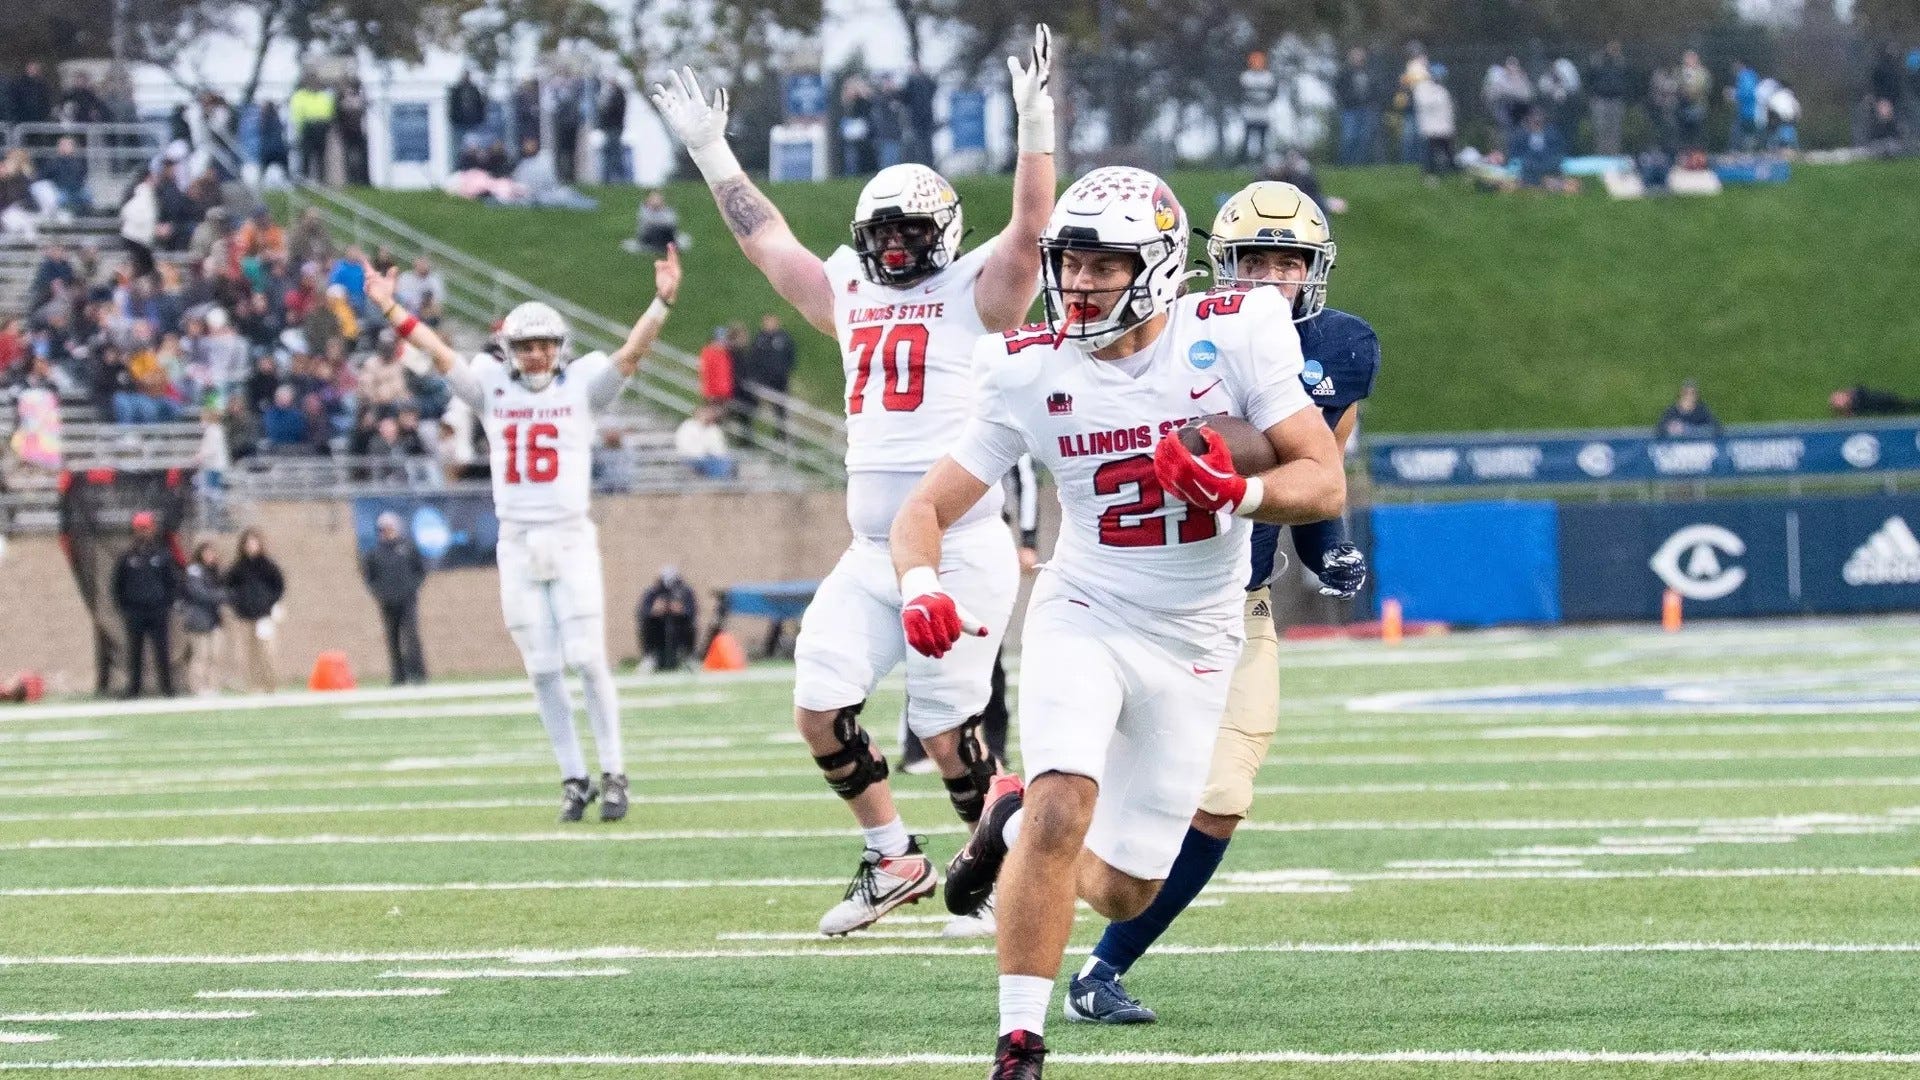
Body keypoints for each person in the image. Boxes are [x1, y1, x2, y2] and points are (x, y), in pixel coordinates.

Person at [888, 166, 1346, 1078]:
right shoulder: (1026, 366)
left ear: (1165, 265)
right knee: (1066, 801)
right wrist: (918, 589)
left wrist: (1239, 489)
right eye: (1070, 260)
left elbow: (1321, 477)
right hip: (1085, 608)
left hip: (1199, 634)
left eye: (1104, 262)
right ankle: (1020, 1041)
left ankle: (1006, 825)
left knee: (1128, 890)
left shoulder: (1235, 332)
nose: (1081, 280)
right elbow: (923, 511)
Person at [651, 26, 1056, 938]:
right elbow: (766, 241)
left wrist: (1038, 125)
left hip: (960, 546)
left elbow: (1033, 228)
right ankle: (894, 859)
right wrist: (712, 152)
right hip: (872, 551)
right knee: (817, 707)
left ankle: (999, 877)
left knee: (953, 733)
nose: (901, 249)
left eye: (915, 233)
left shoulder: (978, 293)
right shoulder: (850, 290)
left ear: (945, 234)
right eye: (887, 234)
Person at [1065, 180, 1380, 1026]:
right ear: (1215, 266)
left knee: (1223, 798)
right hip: (1130, 598)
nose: (1273, 279)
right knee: (1091, 788)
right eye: (1254, 261)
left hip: (1237, 605)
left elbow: (1309, 470)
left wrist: (1324, 546)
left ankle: (1102, 968)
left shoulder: (1341, 348)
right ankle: (1025, 824)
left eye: (1290, 262)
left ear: (1317, 271)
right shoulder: (1182, 330)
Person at [364, 232, 681, 824]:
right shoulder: (491, 386)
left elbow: (630, 356)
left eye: (543, 346)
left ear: (559, 349)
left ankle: (614, 772)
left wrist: (660, 304)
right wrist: (390, 307)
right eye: (525, 346)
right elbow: (438, 353)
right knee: (540, 666)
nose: (535, 356)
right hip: (516, 541)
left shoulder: (582, 385)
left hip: (569, 536)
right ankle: (572, 777)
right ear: (509, 349)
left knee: (587, 658)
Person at [112, 511, 183, 699]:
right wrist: (125, 607)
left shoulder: (162, 555)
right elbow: (117, 585)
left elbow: (171, 582)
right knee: (135, 651)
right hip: (135, 611)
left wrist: (166, 603)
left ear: (152, 529)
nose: (143, 532)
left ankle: (167, 688)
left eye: (146, 528)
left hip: (158, 610)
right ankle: (133, 689)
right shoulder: (126, 557)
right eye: (140, 529)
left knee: (162, 649)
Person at [363, 512, 429, 685]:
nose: (386, 532)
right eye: (383, 529)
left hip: (407, 600)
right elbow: (370, 577)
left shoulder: (407, 548)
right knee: (393, 639)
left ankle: (418, 674)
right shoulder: (375, 553)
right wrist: (380, 593)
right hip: (387, 602)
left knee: (411, 636)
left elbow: (420, 571)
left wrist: (410, 588)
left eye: (389, 528)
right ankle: (398, 676)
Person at [226, 529, 286, 691]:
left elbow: (279, 586)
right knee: (249, 653)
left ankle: (271, 685)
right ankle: (254, 686)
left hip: (264, 615)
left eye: (254, 543)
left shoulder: (268, 565)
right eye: (248, 543)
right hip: (245, 616)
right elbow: (229, 587)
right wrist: (238, 604)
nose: (251, 546)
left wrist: (269, 602)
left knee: (268, 652)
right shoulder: (238, 568)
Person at [181, 541, 227, 696]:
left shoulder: (216, 572)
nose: (210, 556)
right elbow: (199, 593)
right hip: (198, 619)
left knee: (216, 655)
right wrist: (220, 596)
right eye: (206, 553)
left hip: (215, 619)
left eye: (212, 553)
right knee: (201, 655)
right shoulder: (194, 571)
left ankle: (213, 686)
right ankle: (198, 687)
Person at [743, 313, 796, 440]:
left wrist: (784, 372)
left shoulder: (784, 338)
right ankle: (746, 436)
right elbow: (753, 357)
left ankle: (781, 437)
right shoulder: (760, 338)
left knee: (780, 409)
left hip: (779, 381)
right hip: (761, 380)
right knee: (749, 405)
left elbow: (790, 357)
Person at [636, 566, 697, 671]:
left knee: (691, 626)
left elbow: (692, 611)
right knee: (645, 625)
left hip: (679, 628)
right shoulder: (652, 592)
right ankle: (650, 657)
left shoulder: (685, 592)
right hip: (658, 629)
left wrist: (680, 610)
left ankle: (687, 656)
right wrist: (654, 611)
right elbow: (642, 612)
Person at [1334, 47, 1378, 165]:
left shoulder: (1369, 73)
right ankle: (1345, 164)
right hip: (1350, 110)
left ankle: (1359, 164)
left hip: (1366, 109)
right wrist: (1347, 100)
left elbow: (1375, 90)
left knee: (1364, 138)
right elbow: (1339, 90)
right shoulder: (1344, 74)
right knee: (1349, 138)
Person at [1412, 63, 1456, 179]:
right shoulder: (1422, 88)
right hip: (1430, 127)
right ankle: (1429, 172)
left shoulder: (1443, 90)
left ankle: (1449, 171)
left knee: (1448, 151)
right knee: (1430, 152)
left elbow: (1448, 109)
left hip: (1444, 127)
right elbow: (1424, 104)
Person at [1589, 41, 1631, 156]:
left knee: (1615, 130)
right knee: (1600, 128)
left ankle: (1614, 154)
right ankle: (1600, 155)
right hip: (1600, 99)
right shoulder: (1599, 61)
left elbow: (1626, 78)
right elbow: (1591, 76)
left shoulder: (1621, 62)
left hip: (1616, 99)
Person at [674, 402, 734, 478]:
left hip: (711, 457)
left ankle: (721, 483)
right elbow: (683, 445)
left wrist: (715, 454)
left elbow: (719, 447)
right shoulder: (688, 426)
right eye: (705, 413)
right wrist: (703, 453)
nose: (708, 416)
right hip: (690, 456)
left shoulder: (714, 429)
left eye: (709, 414)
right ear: (698, 414)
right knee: (715, 463)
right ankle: (719, 482)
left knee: (726, 461)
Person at [1239, 51, 1279, 165]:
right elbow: (1243, 94)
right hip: (1250, 113)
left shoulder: (1268, 77)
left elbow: (1273, 93)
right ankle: (1245, 163)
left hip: (1264, 114)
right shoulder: (1246, 77)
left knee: (1263, 140)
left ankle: (1262, 163)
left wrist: (1264, 100)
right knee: (1248, 139)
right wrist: (1257, 99)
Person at [42, 136, 91, 216]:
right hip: (59, 190)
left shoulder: (79, 162)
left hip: (77, 190)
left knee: (87, 194)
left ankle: (85, 217)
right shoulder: (52, 162)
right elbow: (44, 177)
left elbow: (81, 177)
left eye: (68, 145)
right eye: (63, 145)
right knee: (61, 198)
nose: (65, 147)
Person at [1658, 380, 1722, 438]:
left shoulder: (1701, 411)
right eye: (1686, 393)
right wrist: (1671, 429)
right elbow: (1660, 429)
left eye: (1692, 393)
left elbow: (1716, 428)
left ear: (1696, 396)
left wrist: (1692, 430)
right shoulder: (1672, 412)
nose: (1689, 397)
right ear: (1681, 394)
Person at [449, 71, 490, 155]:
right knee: (459, 147)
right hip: (460, 123)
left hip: (473, 123)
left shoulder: (474, 89)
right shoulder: (457, 90)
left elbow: (480, 105)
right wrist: (454, 119)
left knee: (474, 145)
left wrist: (480, 119)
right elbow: (453, 106)